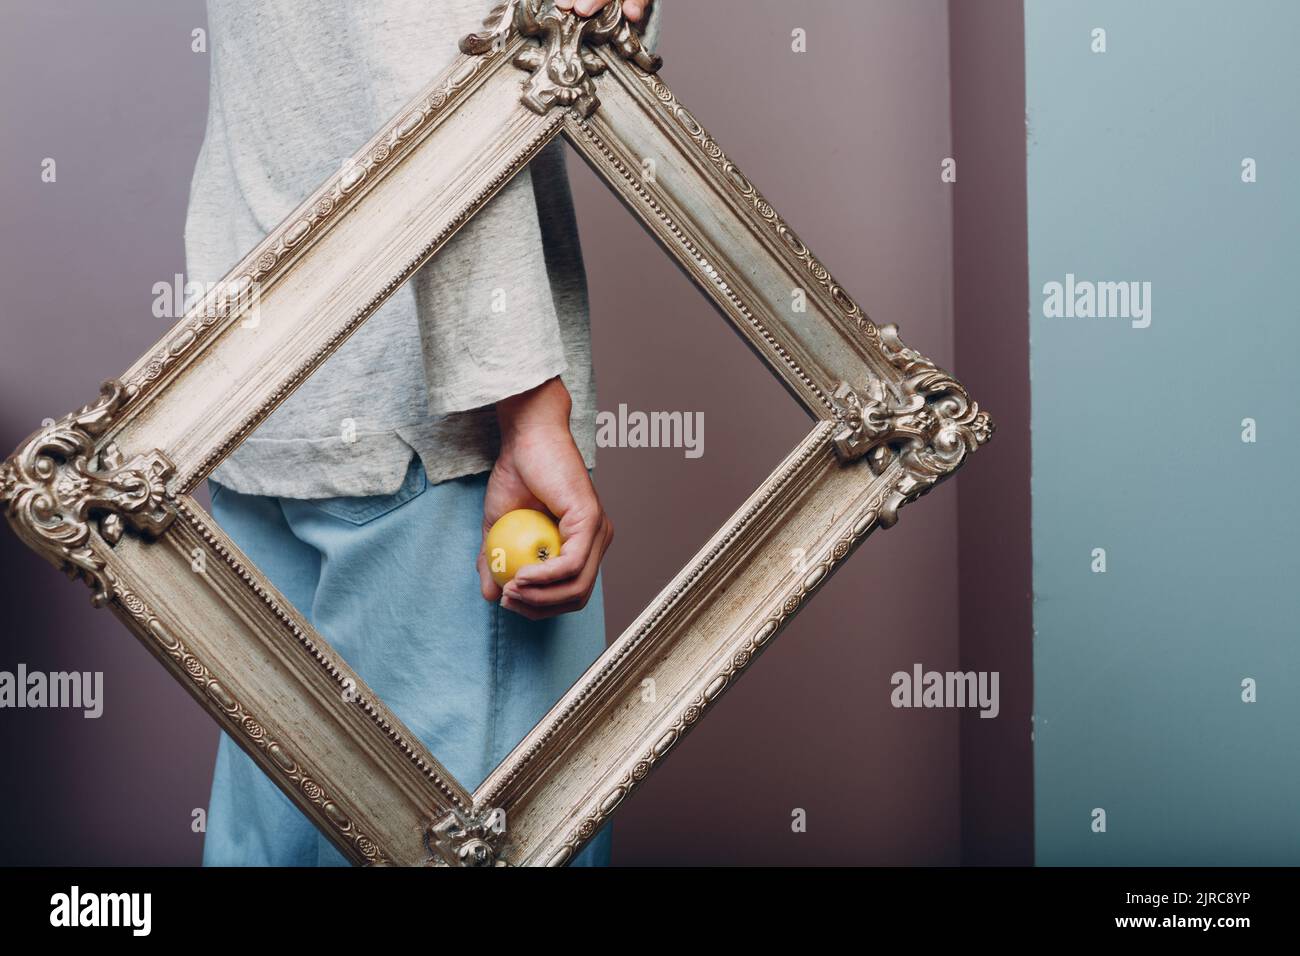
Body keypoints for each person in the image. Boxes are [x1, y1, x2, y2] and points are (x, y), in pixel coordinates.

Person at [185, 0, 659, 867]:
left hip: (269, 382)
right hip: (431, 408)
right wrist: (525, 405)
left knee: (277, 838)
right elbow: (436, 77)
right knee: (491, 836)